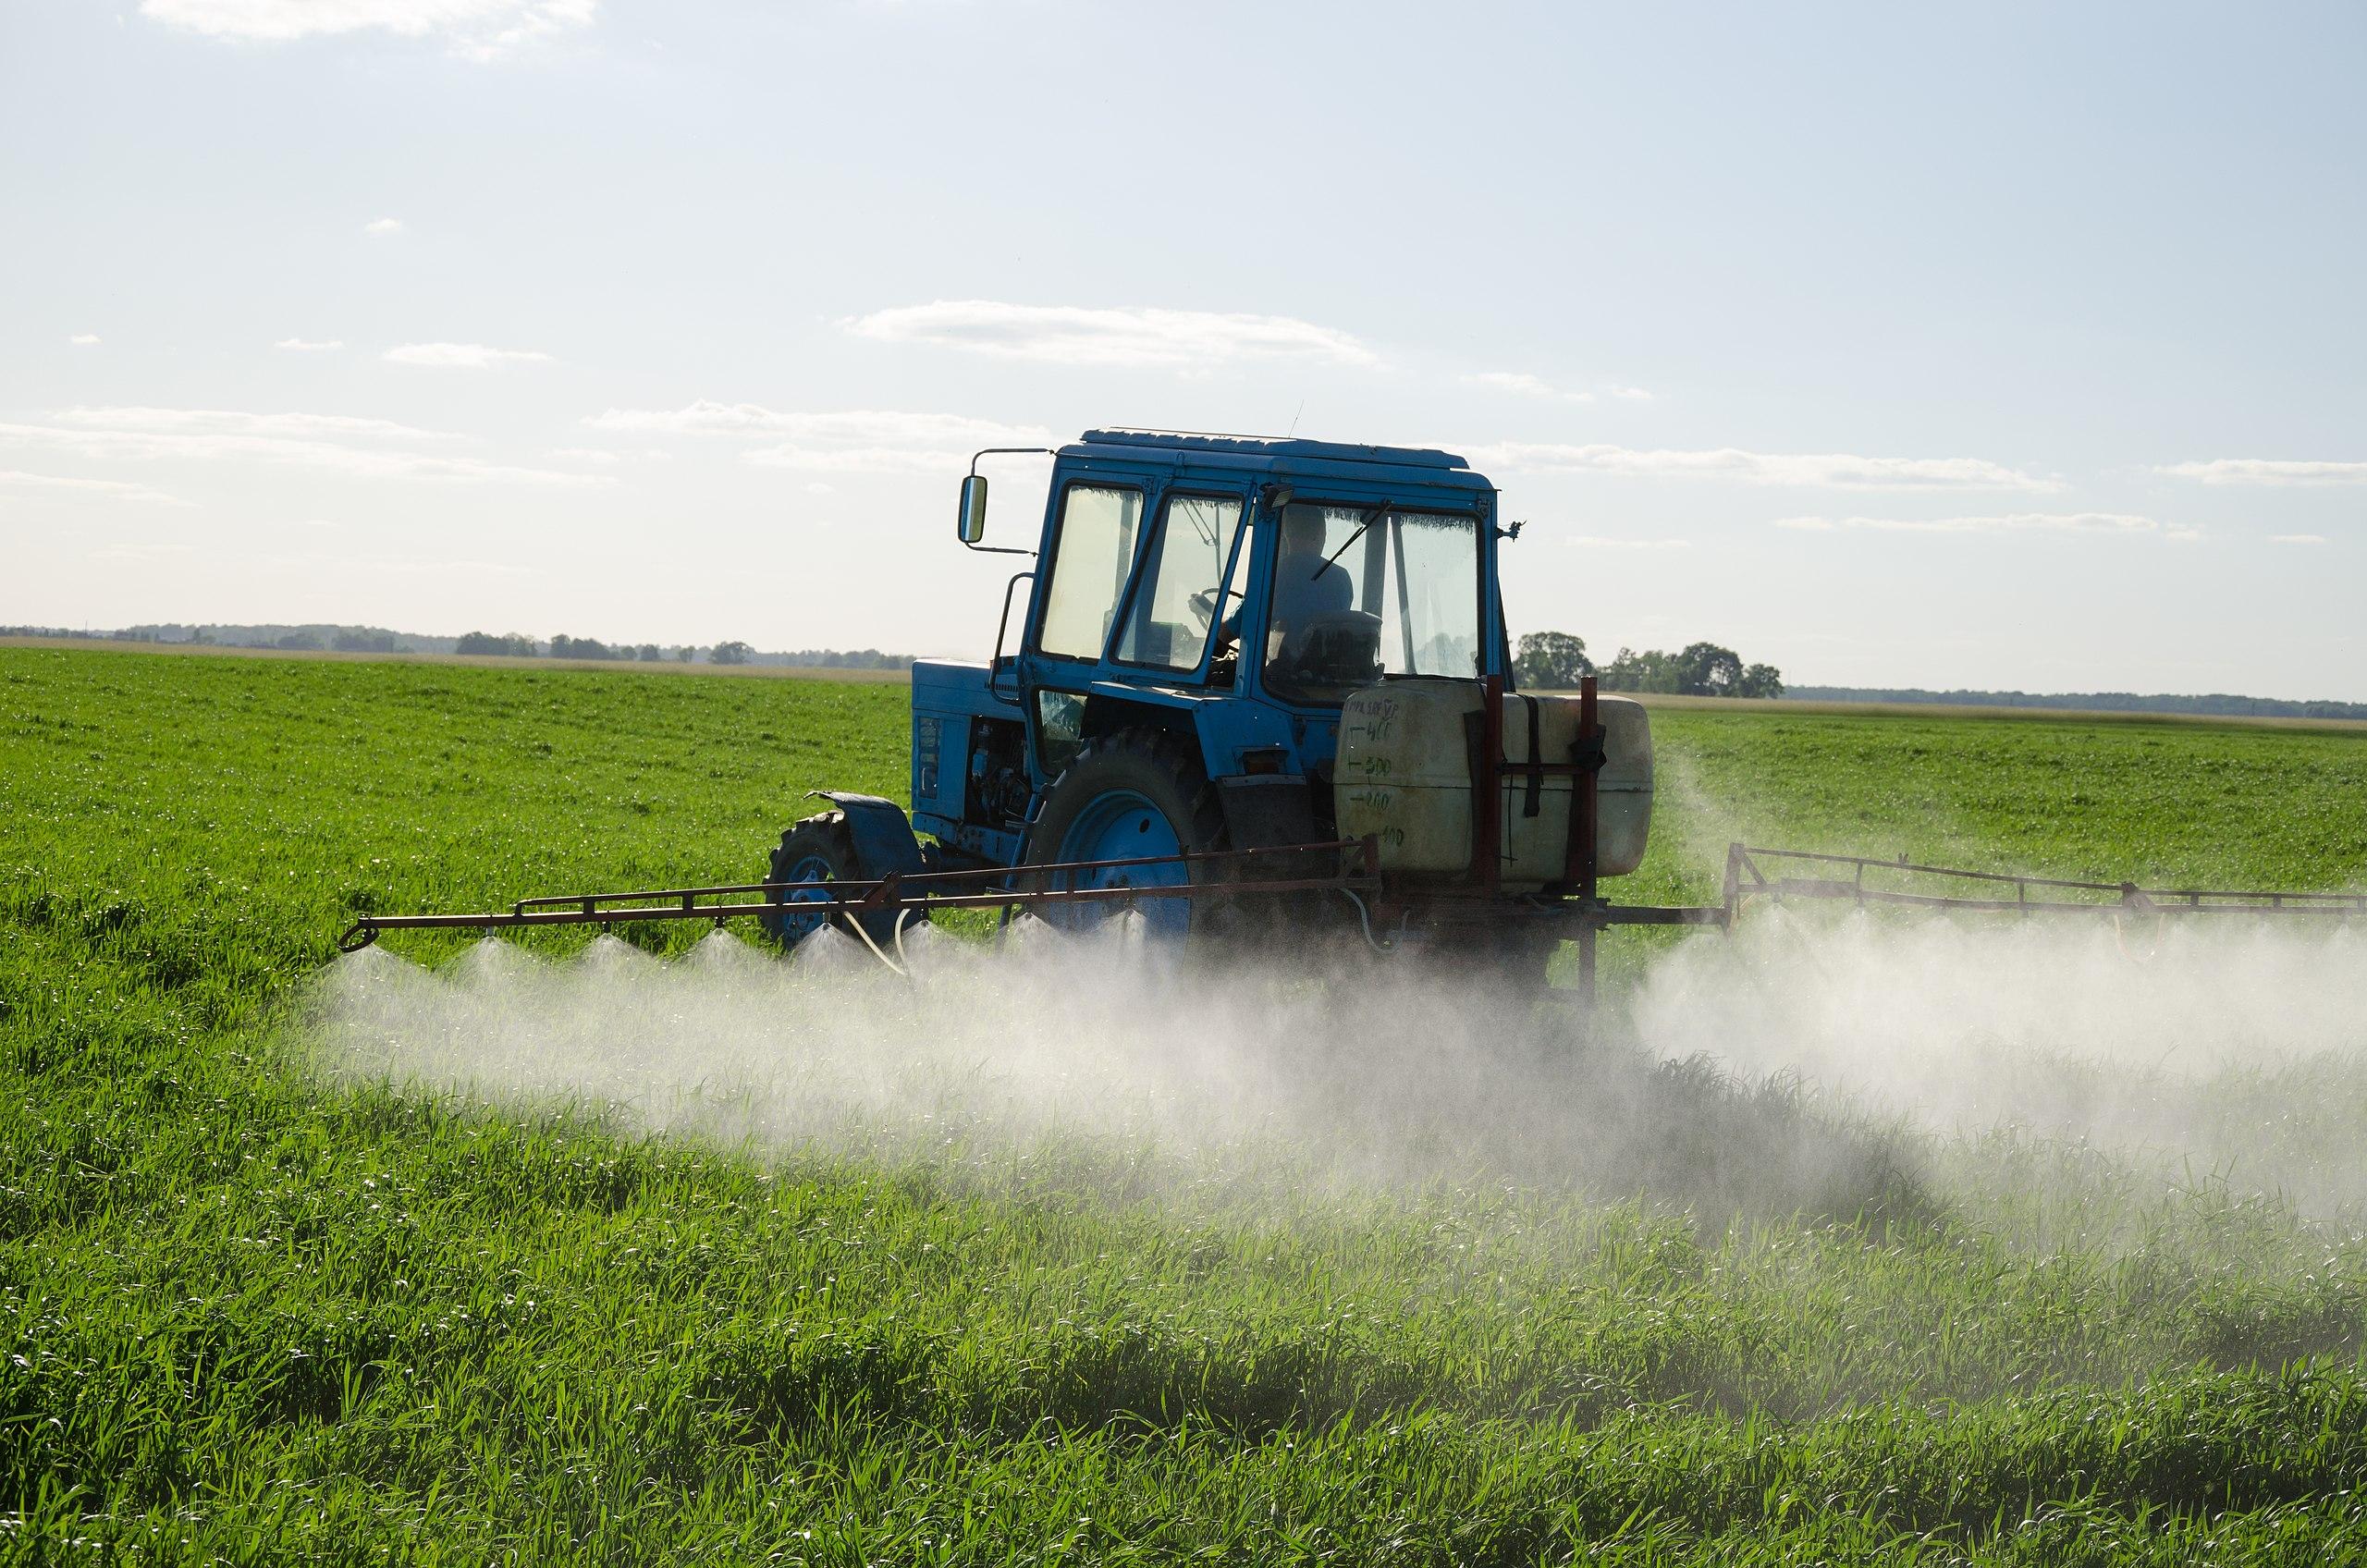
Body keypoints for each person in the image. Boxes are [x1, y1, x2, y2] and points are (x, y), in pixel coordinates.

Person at [1216, 504, 1355, 654]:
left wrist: (1210, 617)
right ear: (1323, 535)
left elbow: (1227, 633)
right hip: (1322, 671)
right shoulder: (1342, 578)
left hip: (1277, 670)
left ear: (1285, 534)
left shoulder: (1270, 575)